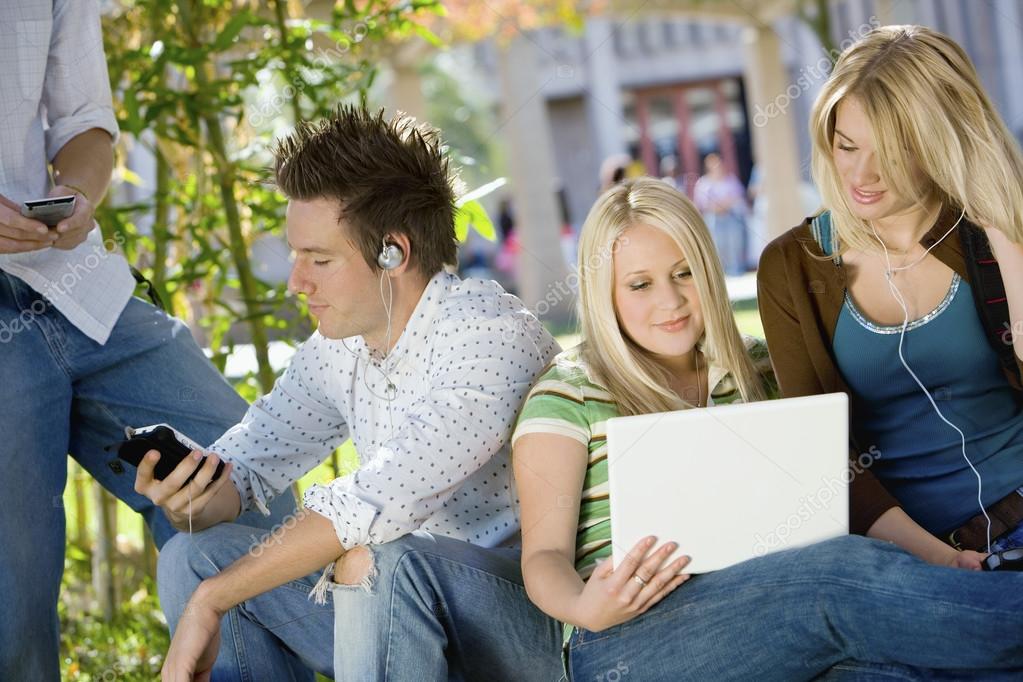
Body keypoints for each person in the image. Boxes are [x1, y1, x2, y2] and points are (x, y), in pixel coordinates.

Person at [512, 177, 1023, 681]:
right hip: (628, 637)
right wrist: (586, 607)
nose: (670, 300)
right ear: (605, 293)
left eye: (685, 273)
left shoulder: (755, 368)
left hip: (772, 613)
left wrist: (940, 560)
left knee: (878, 670)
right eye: (640, 284)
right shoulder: (570, 392)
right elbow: (543, 557)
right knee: (832, 576)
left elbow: (834, 485)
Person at [152, 106, 563, 681]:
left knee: (383, 558)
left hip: (524, 627)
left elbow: (376, 502)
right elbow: (245, 469)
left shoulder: (487, 333)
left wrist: (214, 600)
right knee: (191, 558)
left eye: (319, 259)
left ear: (392, 253)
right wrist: (194, 495)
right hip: (391, 610)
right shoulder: (340, 346)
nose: (297, 282)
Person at [0, 3, 294, 679]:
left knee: (243, 478)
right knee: (11, 589)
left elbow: (86, 125)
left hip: (71, 277)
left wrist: (77, 192)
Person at [758, 25, 1023, 566]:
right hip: (904, 559)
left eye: (894, 151)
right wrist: (940, 561)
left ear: (945, 141)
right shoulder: (790, 268)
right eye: (846, 145)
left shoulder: (990, 231)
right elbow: (823, 457)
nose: (862, 175)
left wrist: (1003, 224)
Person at [693, 152, 748, 276]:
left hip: (730, 217)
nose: (716, 165)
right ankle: (723, 273)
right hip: (714, 219)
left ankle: (736, 271)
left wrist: (724, 204)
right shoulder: (703, 182)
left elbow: (738, 196)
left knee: (734, 243)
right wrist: (717, 206)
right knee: (719, 245)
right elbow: (701, 203)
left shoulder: (730, 179)